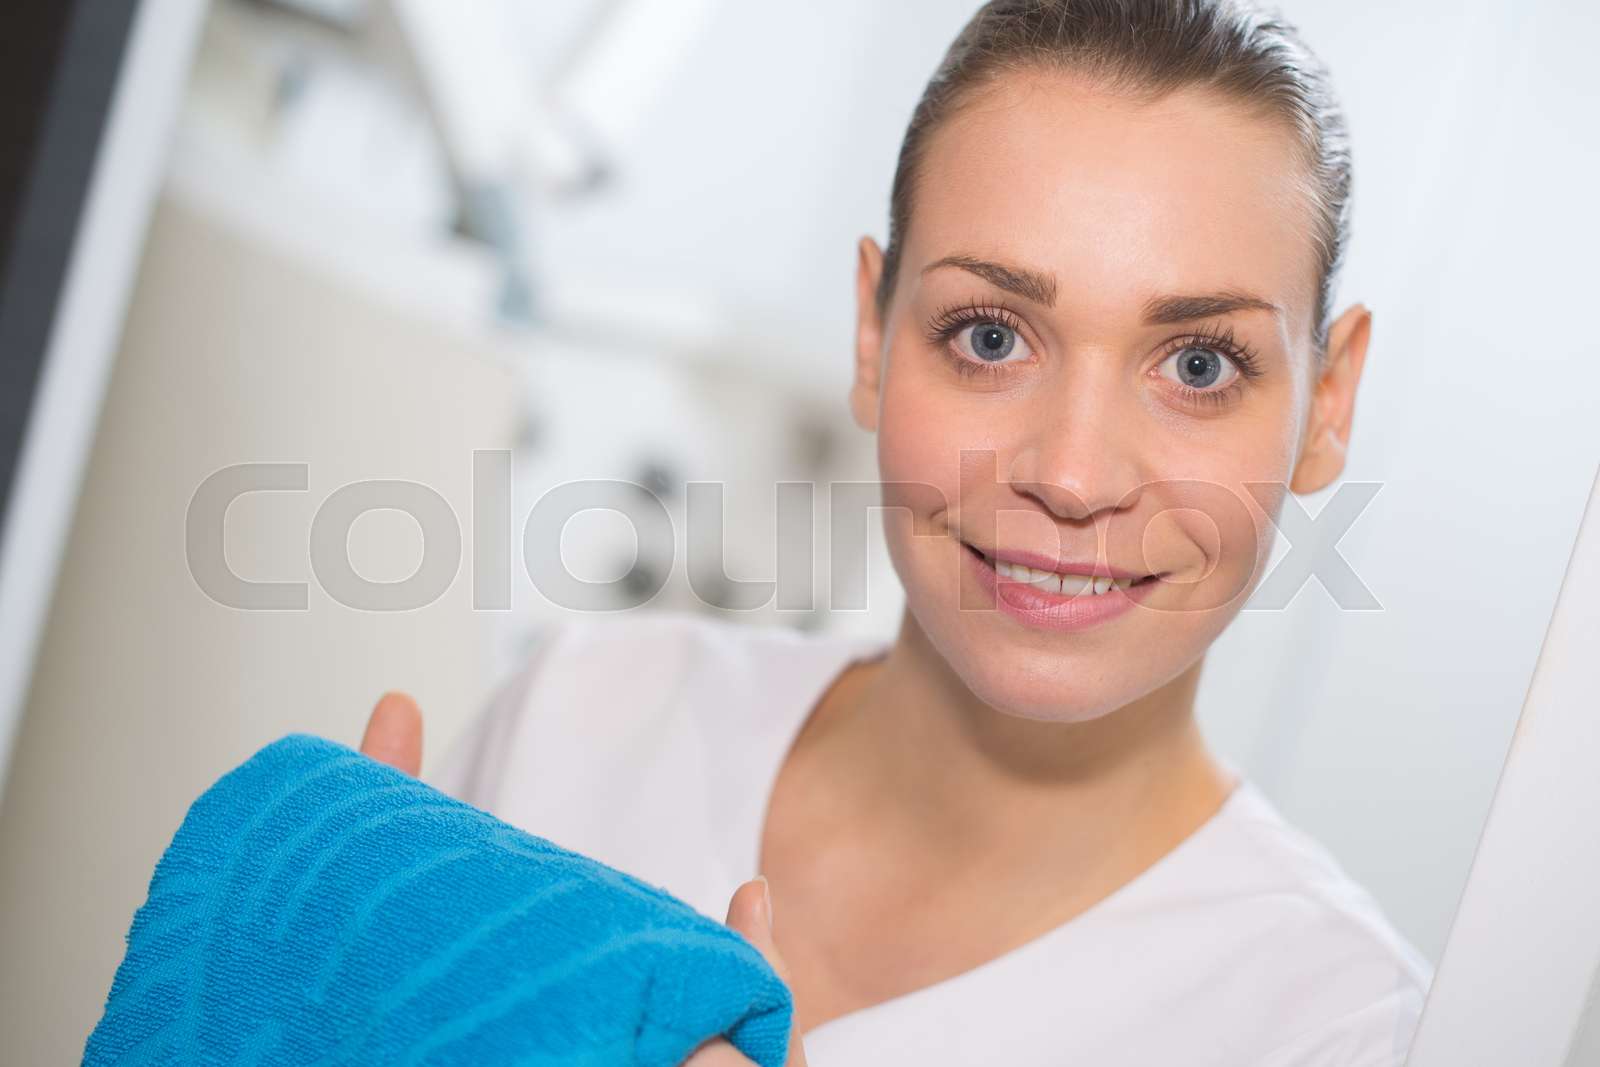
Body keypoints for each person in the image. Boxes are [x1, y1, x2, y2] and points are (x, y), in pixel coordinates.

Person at [359, 1, 1431, 1063]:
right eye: (991, 335)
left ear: (1326, 405)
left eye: (1197, 364)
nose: (1069, 474)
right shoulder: (581, 715)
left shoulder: (1347, 1029)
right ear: (873, 336)